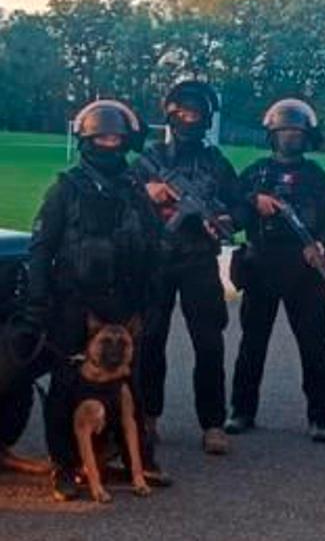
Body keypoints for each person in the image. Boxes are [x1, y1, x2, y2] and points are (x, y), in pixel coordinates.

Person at [25, 100, 165, 500]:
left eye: (116, 138)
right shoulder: (65, 189)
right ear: (87, 140)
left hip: (125, 304)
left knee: (131, 385)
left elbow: (154, 245)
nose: (109, 143)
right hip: (74, 305)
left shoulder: (136, 189)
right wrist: (38, 300)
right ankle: (65, 466)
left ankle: (135, 459)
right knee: (65, 387)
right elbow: (41, 248)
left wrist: (152, 300)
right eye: (101, 137)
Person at [135, 79, 249, 456]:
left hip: (199, 260)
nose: (189, 118)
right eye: (183, 111)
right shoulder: (150, 159)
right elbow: (118, 198)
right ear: (171, 114)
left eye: (196, 113)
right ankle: (147, 417)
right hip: (155, 260)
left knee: (209, 343)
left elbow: (241, 206)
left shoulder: (216, 163)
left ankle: (212, 423)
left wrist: (225, 219)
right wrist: (147, 192)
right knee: (150, 341)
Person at [227, 99, 325, 443]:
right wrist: (253, 201)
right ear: (272, 135)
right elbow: (232, 209)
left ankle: (319, 417)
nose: (290, 137)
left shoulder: (317, 177)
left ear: (307, 137)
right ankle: (242, 411)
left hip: (303, 270)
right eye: (284, 131)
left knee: (314, 345)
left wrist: (321, 243)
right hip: (261, 266)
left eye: (296, 131)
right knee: (252, 345)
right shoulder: (256, 174)